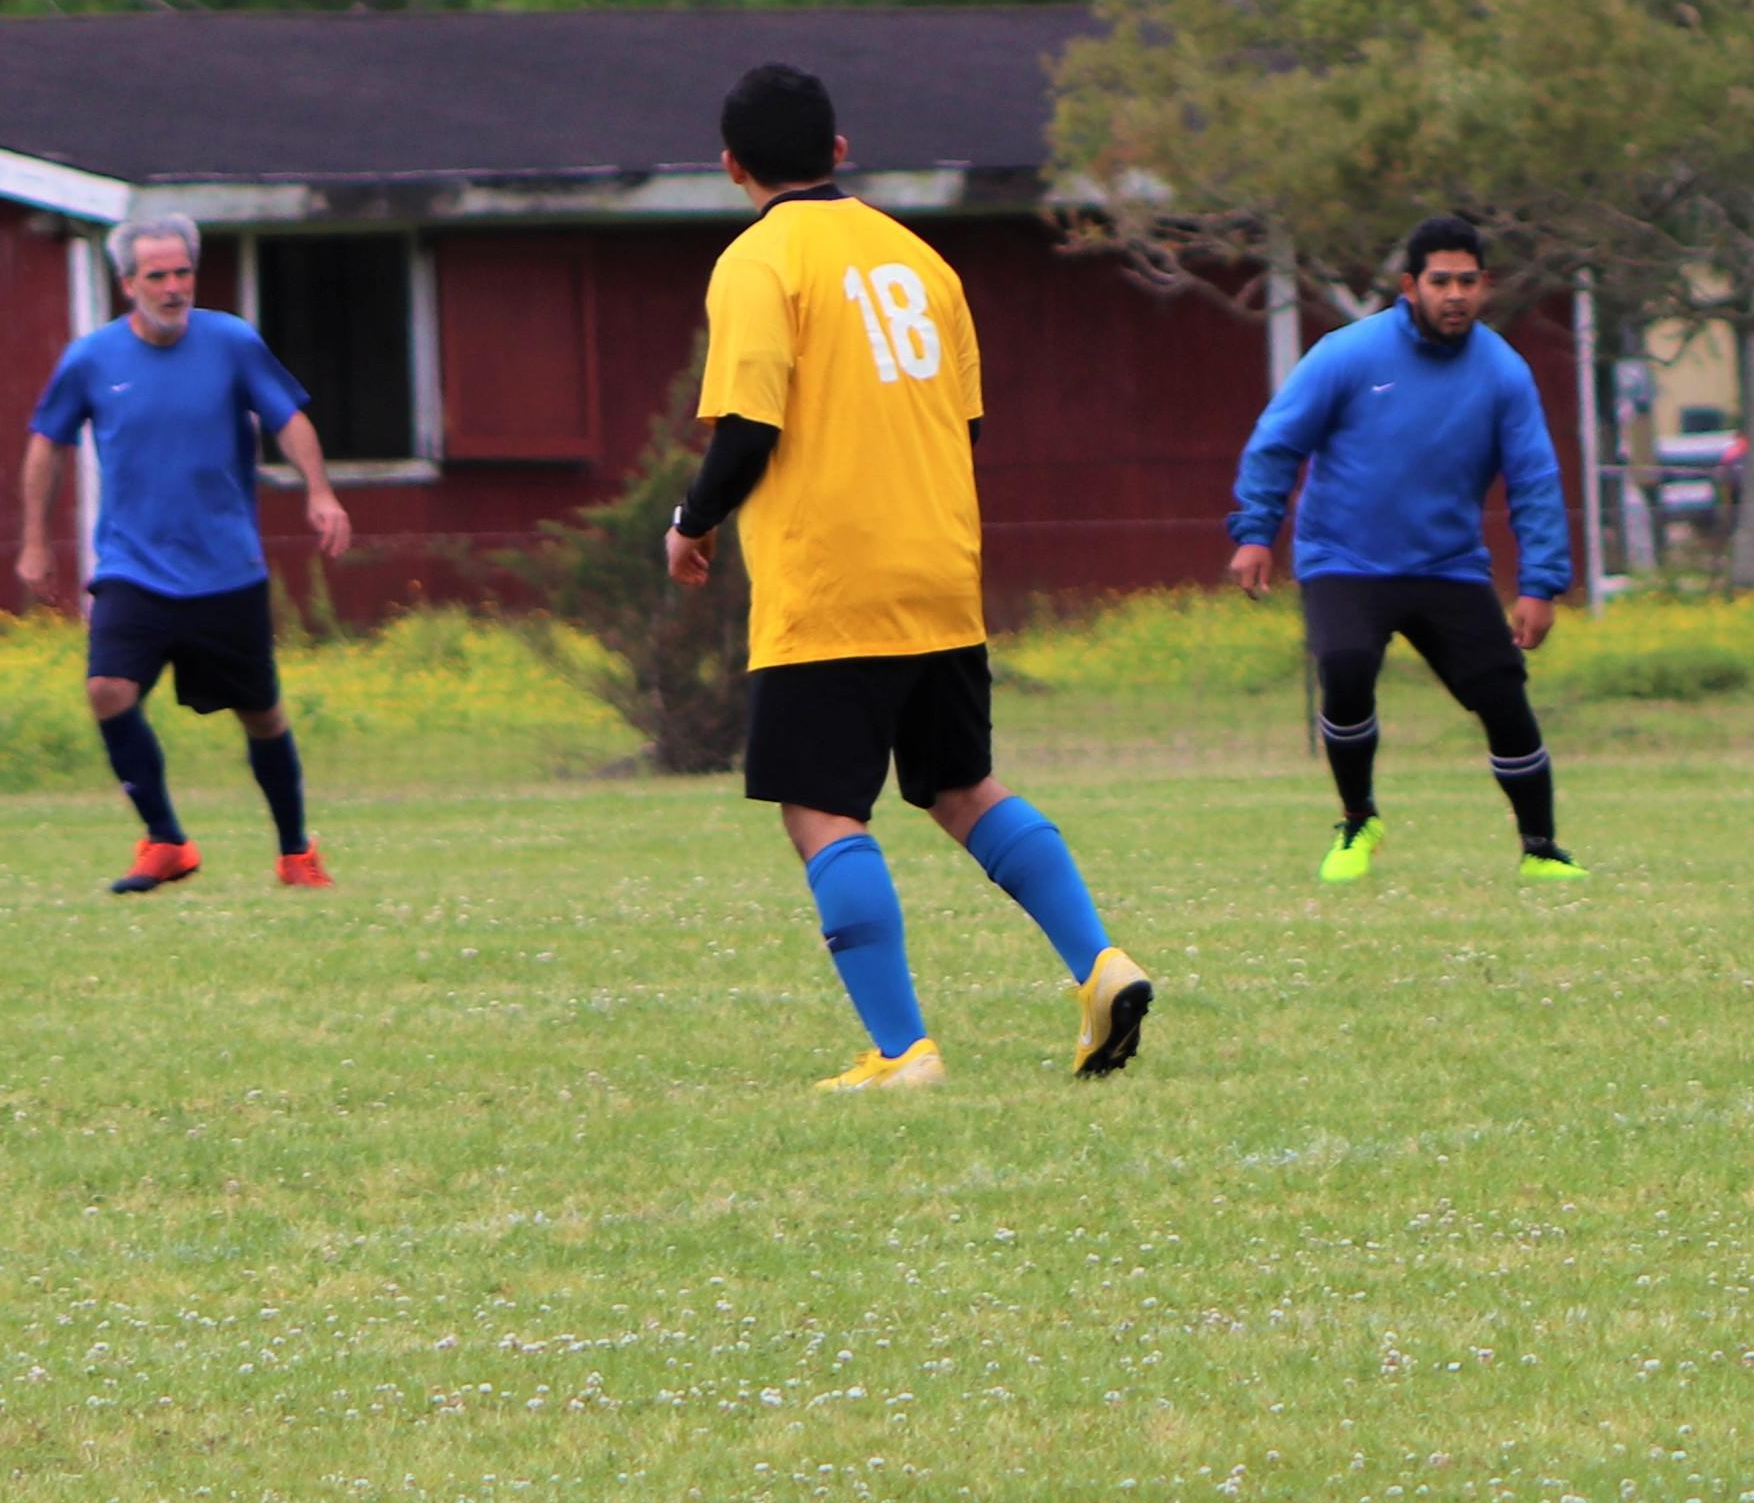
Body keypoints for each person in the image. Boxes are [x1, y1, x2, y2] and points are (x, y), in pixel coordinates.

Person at [668, 62, 1150, 1089]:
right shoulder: (923, 260)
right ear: (840, 153)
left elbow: (748, 424)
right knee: (961, 784)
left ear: (731, 166)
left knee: (820, 808)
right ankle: (1100, 961)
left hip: (830, 575)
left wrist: (691, 521)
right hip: (939, 566)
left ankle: (902, 1050)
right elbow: (962, 423)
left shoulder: (759, 261)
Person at [1227, 215, 1583, 884]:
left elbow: (1534, 478)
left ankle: (1541, 850)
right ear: (1409, 286)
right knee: (1347, 665)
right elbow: (1278, 442)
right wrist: (1254, 533)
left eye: (1468, 282)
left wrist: (1541, 583)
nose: (1455, 295)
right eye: (1441, 281)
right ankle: (1359, 821)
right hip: (1345, 560)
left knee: (1503, 699)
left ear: (1485, 286)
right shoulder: (1348, 354)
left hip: (1447, 567)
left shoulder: (1503, 372)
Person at [16, 220, 350, 893]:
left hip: (226, 570)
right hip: (133, 568)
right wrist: (33, 538)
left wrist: (319, 492)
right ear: (128, 284)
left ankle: (295, 851)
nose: (173, 288)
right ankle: (166, 840)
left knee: (261, 713)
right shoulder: (90, 360)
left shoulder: (232, 343)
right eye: (157, 277)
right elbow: (47, 445)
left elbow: (288, 418)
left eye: (182, 274)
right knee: (107, 690)